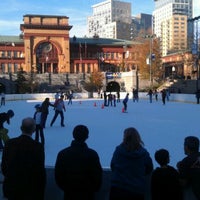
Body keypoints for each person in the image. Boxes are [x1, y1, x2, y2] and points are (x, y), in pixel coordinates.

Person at [1, 117, 46, 200]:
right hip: (30, 190)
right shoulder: (37, 146)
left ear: (21, 128)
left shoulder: (9, 144)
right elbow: (40, 171)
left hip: (12, 189)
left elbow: (4, 167)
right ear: (34, 130)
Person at [55, 125, 102, 200]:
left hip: (69, 194)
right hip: (87, 194)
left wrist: (67, 188)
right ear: (87, 137)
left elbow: (58, 176)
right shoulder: (92, 154)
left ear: (73, 135)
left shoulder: (63, 154)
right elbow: (97, 176)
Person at [109, 127, 153, 200]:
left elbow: (113, 165)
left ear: (125, 137)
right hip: (136, 190)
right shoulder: (144, 153)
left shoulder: (118, 151)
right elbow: (149, 168)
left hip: (118, 189)